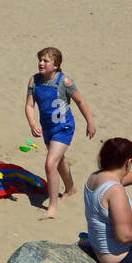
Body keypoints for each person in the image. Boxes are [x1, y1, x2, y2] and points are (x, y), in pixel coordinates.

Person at [24, 47, 97, 220]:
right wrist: (33, 123)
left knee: (50, 163)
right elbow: (29, 105)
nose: (41, 63)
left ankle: (53, 207)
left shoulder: (65, 82)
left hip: (64, 128)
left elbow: (80, 101)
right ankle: (70, 187)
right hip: (47, 128)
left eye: (46, 61)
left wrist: (90, 122)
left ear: (56, 65)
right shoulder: (34, 81)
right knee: (58, 160)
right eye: (40, 59)